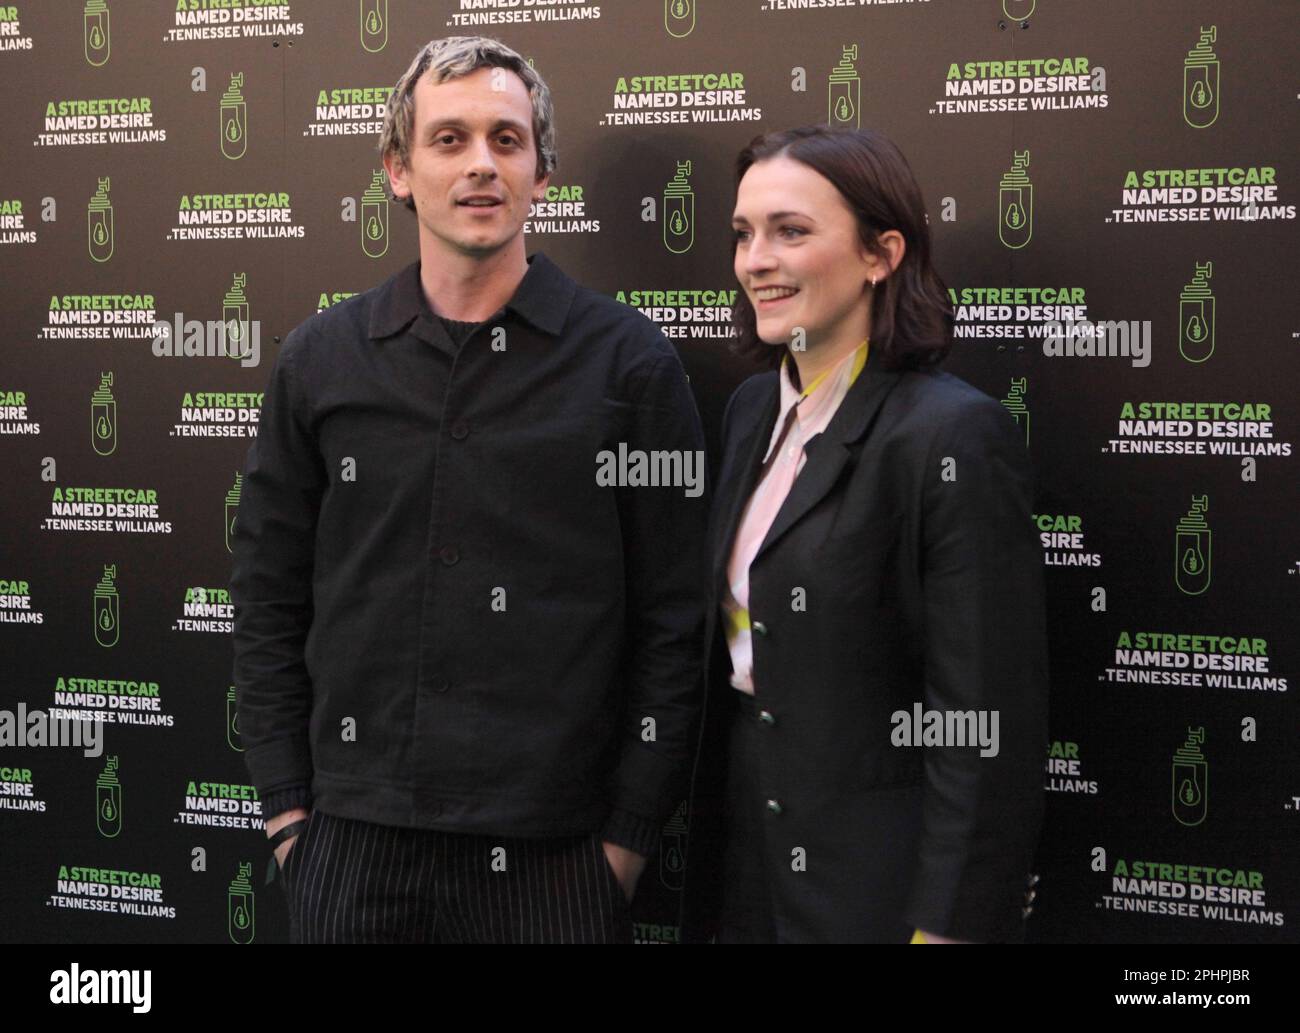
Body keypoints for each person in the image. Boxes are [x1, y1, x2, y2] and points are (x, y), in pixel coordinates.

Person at [229, 35, 708, 943]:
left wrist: (624, 847)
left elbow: (673, 623)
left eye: (507, 139)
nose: (481, 163)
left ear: (544, 173)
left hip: (555, 861)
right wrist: (291, 817)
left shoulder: (629, 365)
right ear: (398, 172)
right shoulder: (321, 361)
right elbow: (267, 598)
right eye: (449, 140)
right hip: (351, 850)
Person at [678, 126, 1049, 943]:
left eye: (791, 231)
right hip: (745, 873)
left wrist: (947, 926)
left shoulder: (952, 435)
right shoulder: (748, 412)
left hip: (880, 891)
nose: (755, 260)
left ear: (882, 254)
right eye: (744, 234)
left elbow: (981, 718)